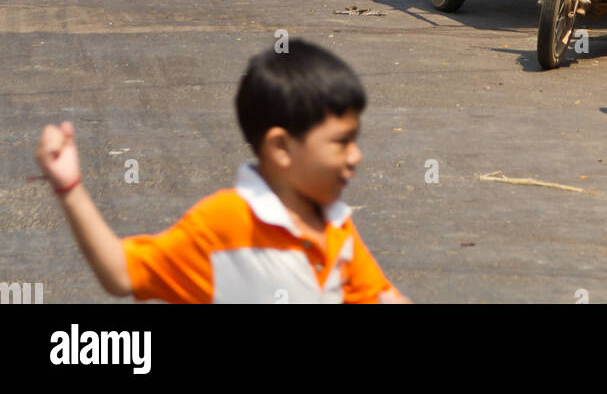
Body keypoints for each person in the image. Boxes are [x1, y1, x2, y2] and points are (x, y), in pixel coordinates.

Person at [35, 39, 410, 305]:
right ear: (281, 148)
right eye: (342, 142)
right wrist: (70, 188)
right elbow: (121, 273)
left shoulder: (335, 228)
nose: (356, 156)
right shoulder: (221, 226)